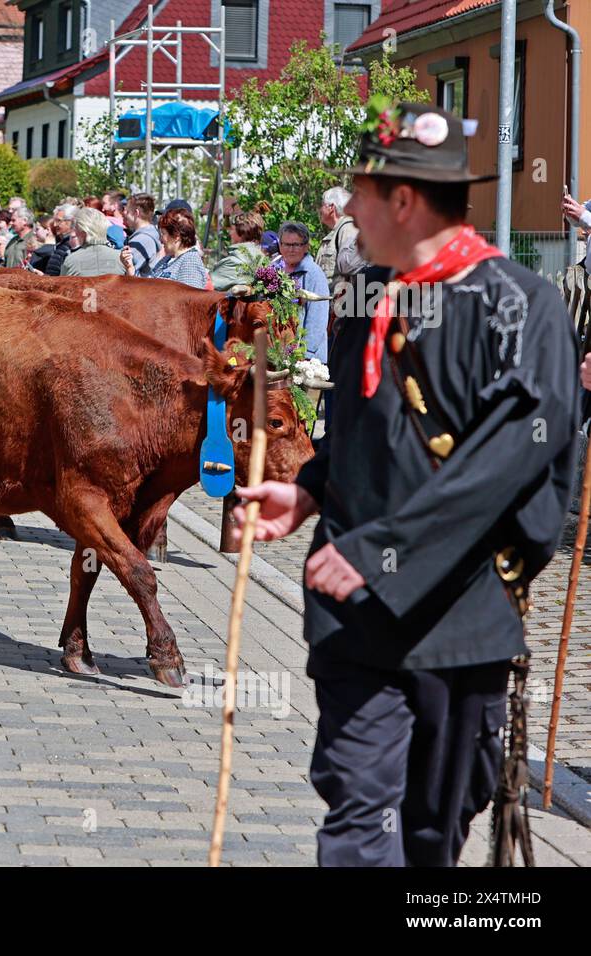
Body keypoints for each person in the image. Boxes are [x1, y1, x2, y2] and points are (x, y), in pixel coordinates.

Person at [234, 103, 579, 867]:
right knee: (359, 821)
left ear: (401, 200)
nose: (348, 209)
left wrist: (385, 547)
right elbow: (368, 430)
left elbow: (513, 459)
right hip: (355, 619)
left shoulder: (524, 306)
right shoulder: (368, 297)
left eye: (359, 191)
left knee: (433, 831)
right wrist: (312, 490)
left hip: (462, 617)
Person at [318, 186, 369, 344]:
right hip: (332, 311)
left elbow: (352, 267)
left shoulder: (347, 228)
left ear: (331, 207)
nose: (319, 209)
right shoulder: (339, 230)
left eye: (322, 204)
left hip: (340, 312)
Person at [274, 221, 330, 363]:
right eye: (286, 244)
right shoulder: (272, 271)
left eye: (296, 245)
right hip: (277, 352)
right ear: (280, 245)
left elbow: (318, 318)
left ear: (305, 246)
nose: (291, 249)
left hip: (305, 358)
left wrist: (305, 353)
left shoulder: (314, 274)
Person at [208, 204, 268, 290]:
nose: (230, 233)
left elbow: (205, 285)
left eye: (232, 229)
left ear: (242, 233)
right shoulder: (261, 257)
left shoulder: (235, 261)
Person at [148, 208, 209, 289]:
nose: (160, 239)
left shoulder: (190, 262)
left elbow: (190, 299)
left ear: (176, 236)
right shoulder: (167, 259)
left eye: (163, 234)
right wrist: (130, 269)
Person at [61, 207, 124, 277]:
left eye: (76, 229)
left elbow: (63, 286)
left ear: (83, 232)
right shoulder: (121, 258)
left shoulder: (70, 261)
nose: (75, 233)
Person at [121, 193, 163, 278]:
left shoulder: (141, 240)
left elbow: (131, 275)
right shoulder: (153, 233)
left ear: (136, 213)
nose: (125, 214)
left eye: (128, 211)